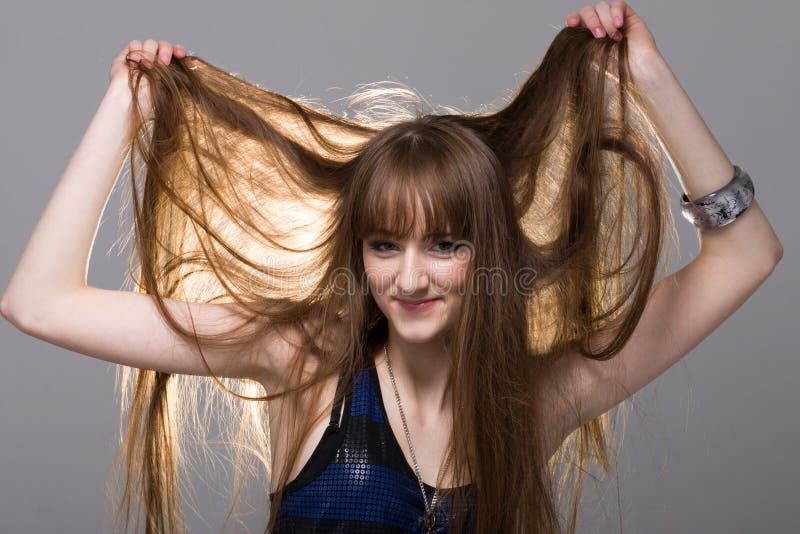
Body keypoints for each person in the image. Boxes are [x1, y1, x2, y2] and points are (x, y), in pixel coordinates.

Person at [0, 2, 783, 533]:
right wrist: (127, 107)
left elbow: (748, 255)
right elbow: (39, 302)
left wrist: (647, 81)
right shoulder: (303, 362)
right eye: (384, 245)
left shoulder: (534, 400)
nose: (410, 278)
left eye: (445, 245)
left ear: (487, 252)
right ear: (359, 254)